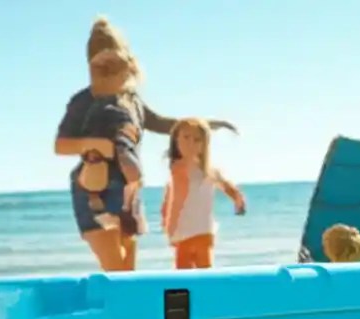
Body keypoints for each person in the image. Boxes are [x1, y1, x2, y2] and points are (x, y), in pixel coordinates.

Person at [55, 16, 237, 273]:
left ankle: (119, 302)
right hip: (95, 189)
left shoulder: (132, 100)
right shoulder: (84, 101)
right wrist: (98, 145)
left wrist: (205, 124)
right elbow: (61, 145)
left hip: (128, 192)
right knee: (117, 273)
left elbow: (163, 124)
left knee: (127, 275)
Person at [161, 118, 246, 270]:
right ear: (176, 139)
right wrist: (238, 200)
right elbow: (170, 200)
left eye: (197, 140)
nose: (190, 143)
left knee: (185, 276)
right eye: (186, 137)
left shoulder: (184, 169)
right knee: (205, 273)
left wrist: (170, 228)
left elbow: (177, 200)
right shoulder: (207, 171)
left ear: (204, 145)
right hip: (204, 231)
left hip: (187, 232)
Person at [75, 49, 143, 231]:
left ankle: (108, 210)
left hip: (95, 181)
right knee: (125, 233)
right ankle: (124, 213)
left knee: (113, 230)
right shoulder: (120, 108)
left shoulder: (93, 107)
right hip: (117, 178)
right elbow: (124, 150)